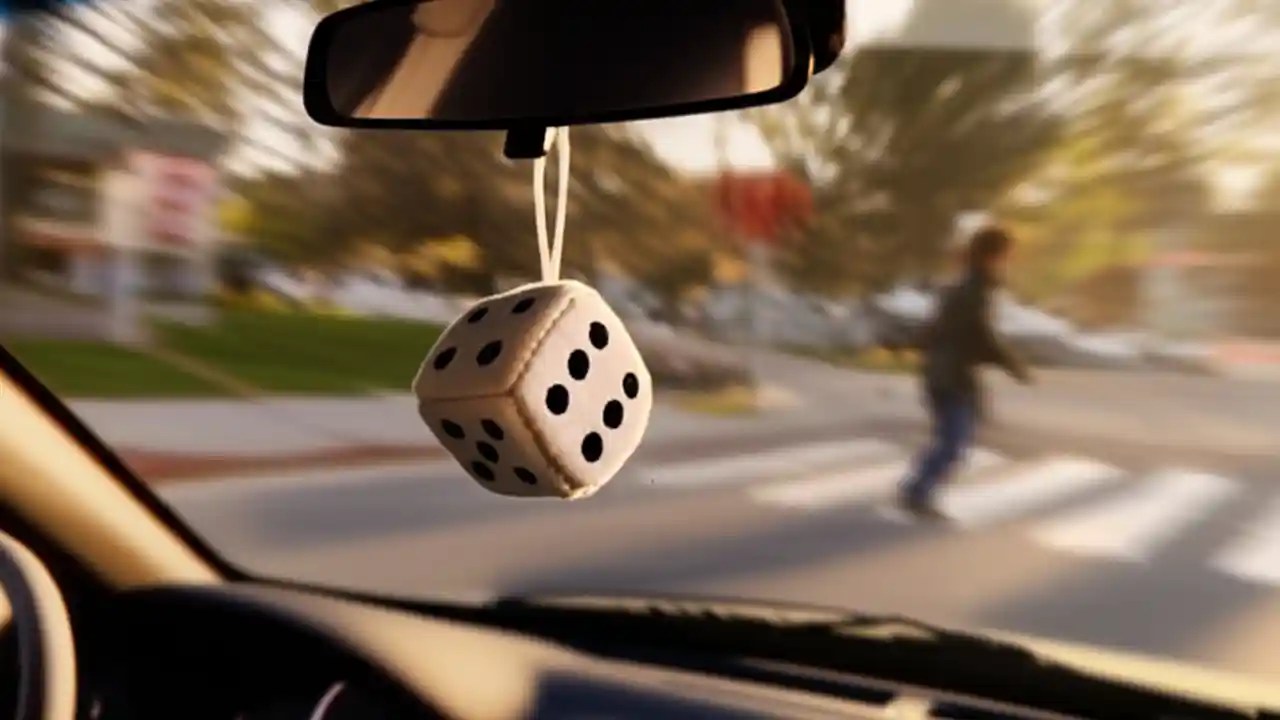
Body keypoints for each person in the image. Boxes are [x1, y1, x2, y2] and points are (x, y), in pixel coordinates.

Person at [899, 225, 1031, 522]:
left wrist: (917, 346)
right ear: (992, 256)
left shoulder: (965, 286)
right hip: (952, 375)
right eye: (1007, 255)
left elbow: (935, 329)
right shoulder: (976, 289)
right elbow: (982, 335)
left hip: (941, 372)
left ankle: (916, 489)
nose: (1009, 262)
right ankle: (916, 493)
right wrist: (1013, 365)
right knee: (954, 441)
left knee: (953, 436)